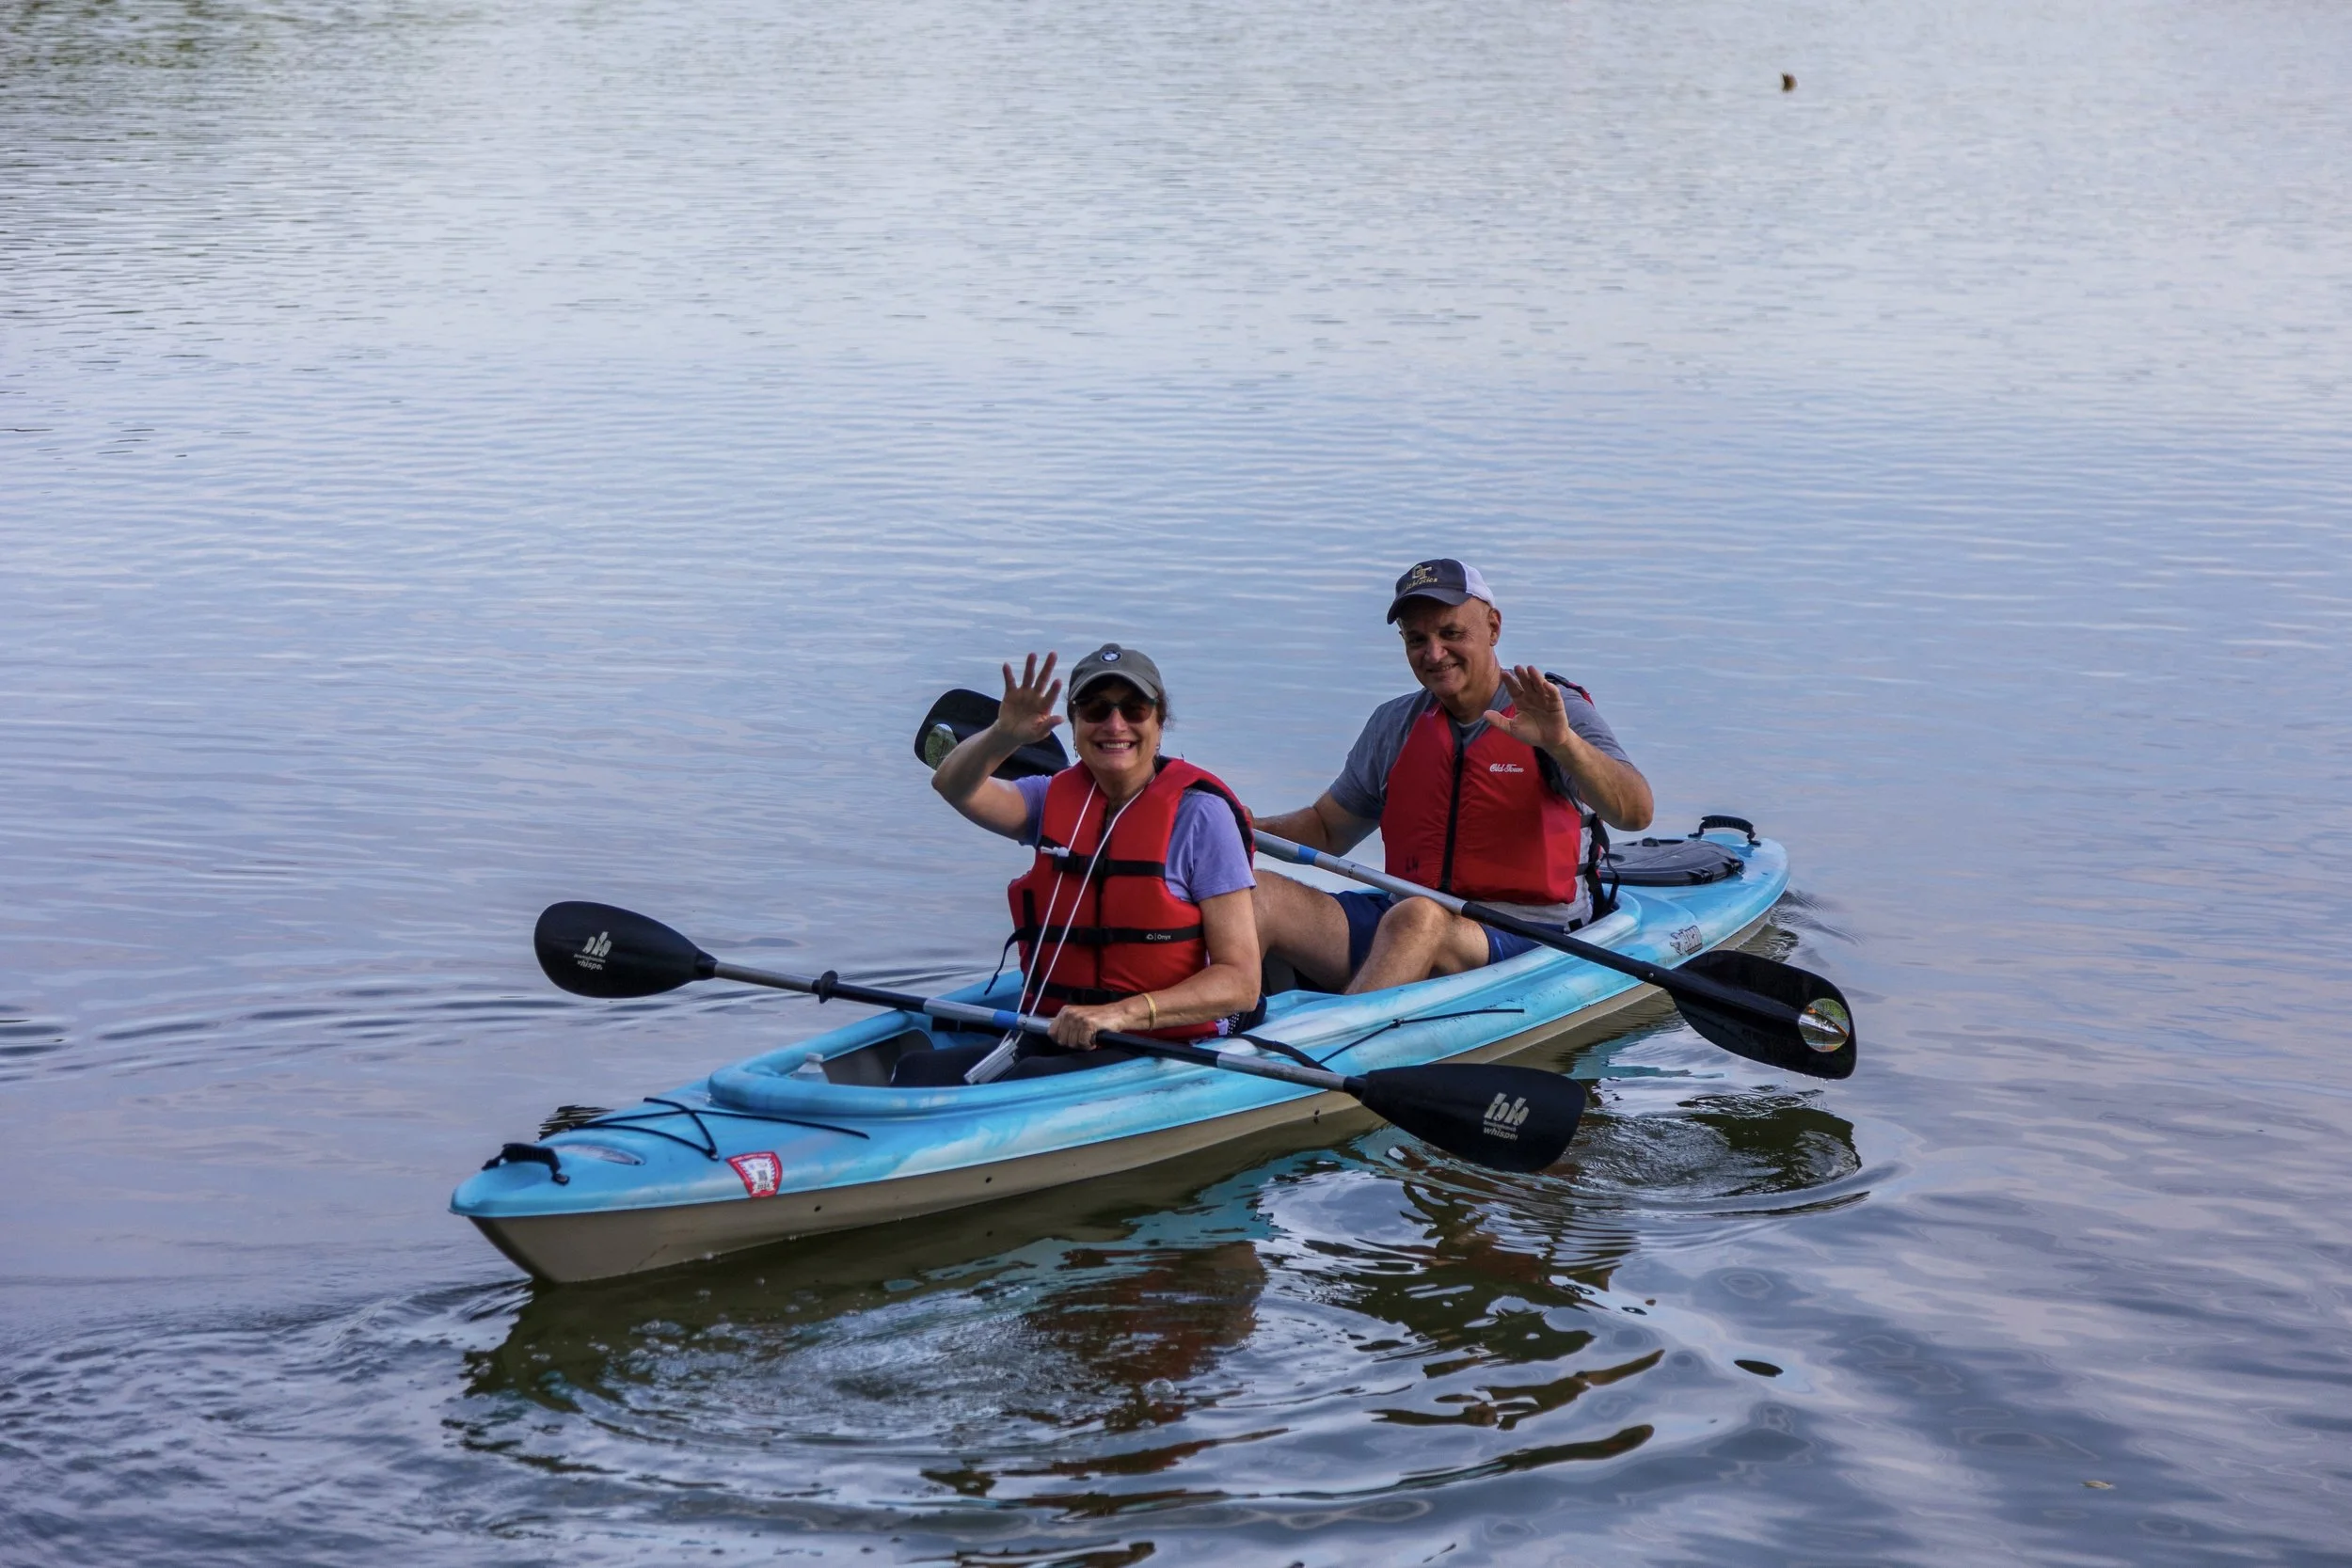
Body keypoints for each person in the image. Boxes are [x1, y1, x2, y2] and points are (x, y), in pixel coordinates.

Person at [1252, 559, 1655, 993]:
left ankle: (1330, 1050)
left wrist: (1563, 744)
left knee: (1418, 917)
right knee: (1259, 896)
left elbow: (1635, 813)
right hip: (1401, 924)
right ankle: (1204, 1029)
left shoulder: (1554, 711)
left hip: (1530, 937)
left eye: (1451, 634)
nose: (1434, 653)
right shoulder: (1395, 724)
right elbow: (1327, 829)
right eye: (1417, 640)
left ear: (1493, 627)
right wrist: (1240, 826)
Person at [898, 643, 1262, 1085]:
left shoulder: (1201, 816)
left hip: (1164, 1040)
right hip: (1055, 1029)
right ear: (1073, 726)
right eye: (1094, 710)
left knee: (1032, 1075)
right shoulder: (1049, 797)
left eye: (1134, 709)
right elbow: (954, 786)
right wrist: (1004, 735)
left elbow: (1241, 983)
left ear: (1159, 722)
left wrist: (1120, 1014)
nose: (1115, 724)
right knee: (914, 1070)